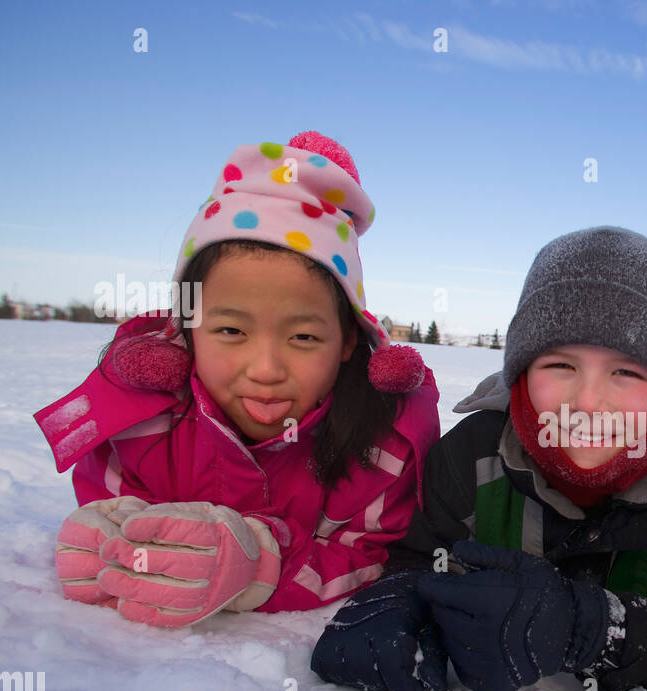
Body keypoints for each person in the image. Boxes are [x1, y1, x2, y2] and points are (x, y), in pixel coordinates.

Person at [311, 226, 647, 691]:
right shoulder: (472, 453)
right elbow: (420, 556)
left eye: (627, 372)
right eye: (560, 366)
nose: (589, 403)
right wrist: (400, 603)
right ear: (522, 370)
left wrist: (585, 627)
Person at [36, 132, 439, 627]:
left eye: (304, 338)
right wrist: (110, 536)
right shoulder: (140, 424)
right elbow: (111, 501)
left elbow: (363, 555)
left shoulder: (380, 448)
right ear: (187, 329)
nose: (266, 369)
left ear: (349, 342)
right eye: (231, 330)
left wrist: (255, 565)